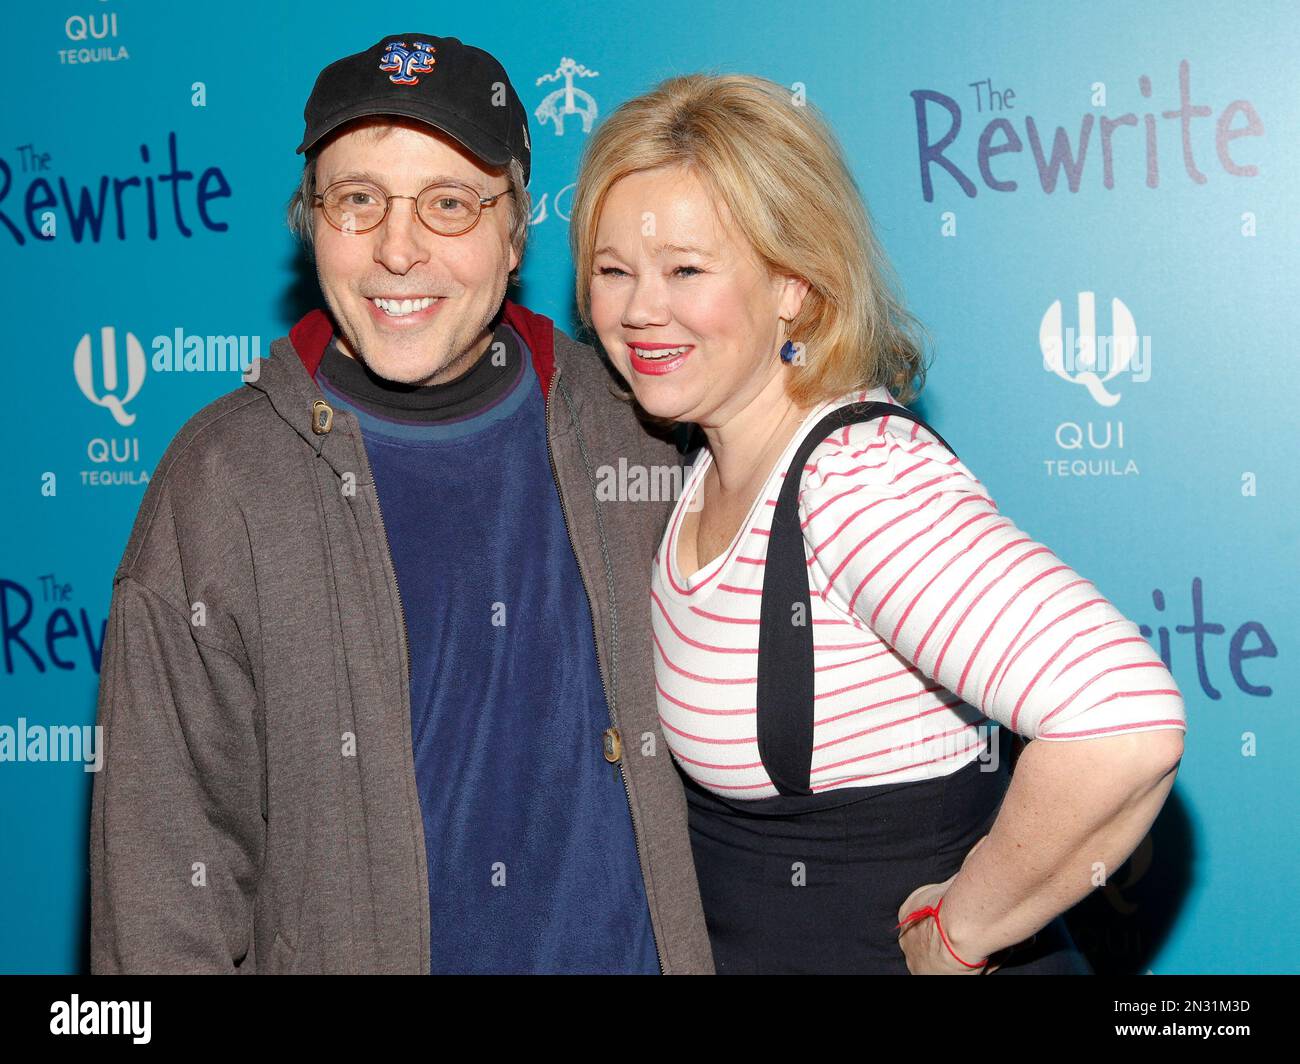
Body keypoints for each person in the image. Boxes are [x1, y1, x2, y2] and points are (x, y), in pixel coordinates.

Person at [87, 33, 714, 974]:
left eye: (450, 203)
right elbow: (161, 898)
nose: (396, 247)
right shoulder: (219, 484)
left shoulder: (646, 431)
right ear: (311, 223)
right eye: (357, 200)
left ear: (515, 234)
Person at [568, 73, 1188, 974]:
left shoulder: (855, 479)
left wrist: (961, 932)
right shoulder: (704, 468)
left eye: (686, 269)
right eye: (612, 269)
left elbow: (1121, 718)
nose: (638, 310)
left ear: (794, 284)